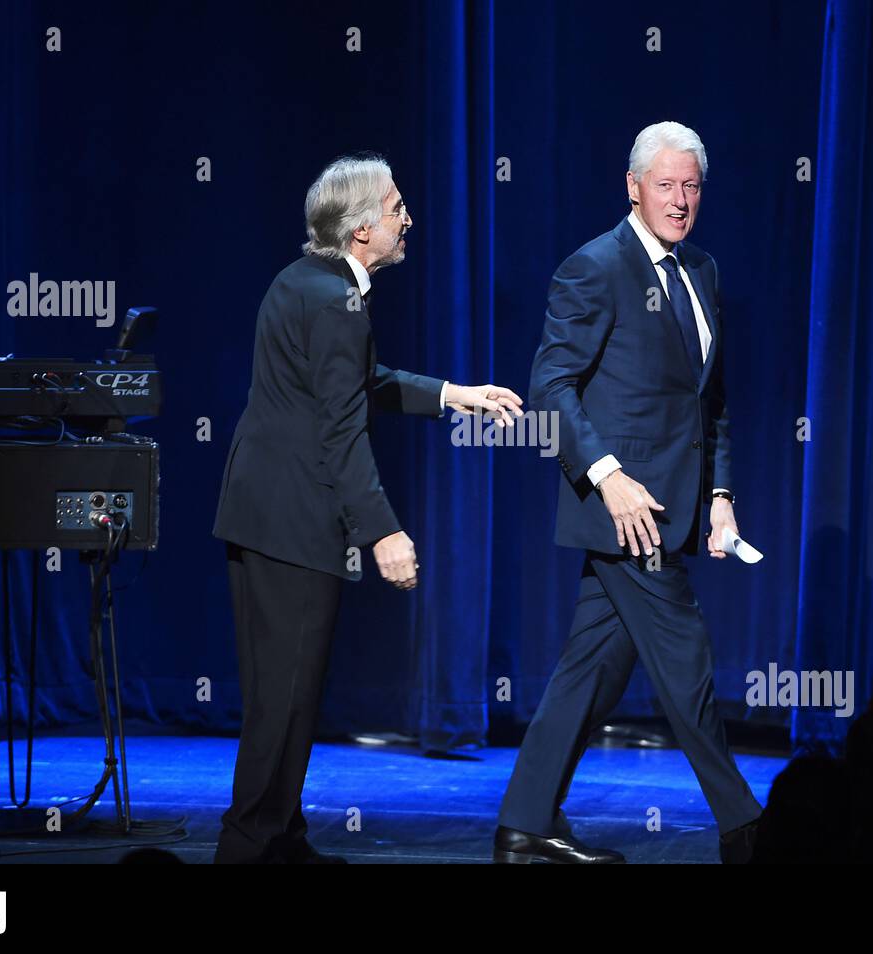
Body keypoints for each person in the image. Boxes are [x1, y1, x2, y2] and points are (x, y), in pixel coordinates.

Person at [212, 154, 522, 863]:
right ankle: (249, 846)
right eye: (395, 209)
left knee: (285, 694)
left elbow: (356, 382)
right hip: (291, 521)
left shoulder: (309, 284)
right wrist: (382, 530)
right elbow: (341, 429)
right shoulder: (332, 301)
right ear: (359, 231)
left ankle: (279, 840)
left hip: (263, 515)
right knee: (283, 699)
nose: (406, 219)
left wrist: (452, 394)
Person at [495, 121, 762, 864]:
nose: (680, 200)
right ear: (633, 186)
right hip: (626, 514)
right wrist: (607, 477)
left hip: (679, 507)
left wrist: (720, 494)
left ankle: (524, 823)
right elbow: (549, 388)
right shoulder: (595, 268)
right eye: (666, 185)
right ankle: (746, 829)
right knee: (688, 663)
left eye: (692, 186)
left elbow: (709, 400)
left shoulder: (701, 269)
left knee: (592, 671)